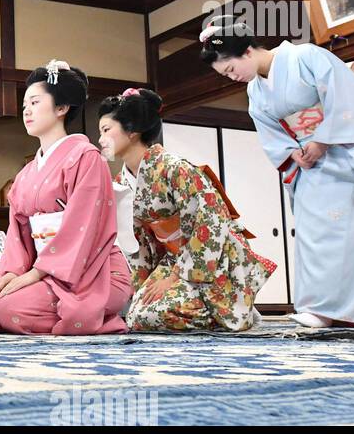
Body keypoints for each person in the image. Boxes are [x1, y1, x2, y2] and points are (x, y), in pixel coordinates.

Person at [200, 17, 354, 327]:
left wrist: (323, 139)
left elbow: (348, 96)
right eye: (225, 75)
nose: (231, 77)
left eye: (231, 69)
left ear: (247, 51)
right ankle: (319, 308)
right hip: (311, 162)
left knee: (351, 232)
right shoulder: (256, 91)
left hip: (346, 150)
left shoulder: (306, 57)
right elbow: (271, 132)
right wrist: (294, 153)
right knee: (313, 233)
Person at [0, 60, 131, 335]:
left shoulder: (87, 159)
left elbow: (83, 228)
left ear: (62, 108)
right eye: (25, 104)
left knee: (5, 312)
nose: (26, 110)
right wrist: (13, 274)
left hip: (93, 272)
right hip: (45, 271)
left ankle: (103, 315)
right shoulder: (26, 174)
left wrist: (35, 274)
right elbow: (18, 236)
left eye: (35, 102)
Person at [98, 87, 275, 331]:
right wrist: (139, 287)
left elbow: (212, 220)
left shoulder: (174, 169)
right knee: (136, 316)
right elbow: (138, 243)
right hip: (173, 259)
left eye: (106, 130)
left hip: (212, 256)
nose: (101, 140)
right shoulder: (121, 182)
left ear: (132, 131)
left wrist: (175, 276)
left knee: (153, 315)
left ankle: (233, 306)